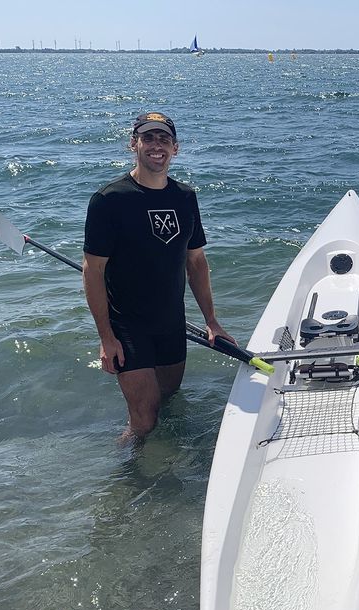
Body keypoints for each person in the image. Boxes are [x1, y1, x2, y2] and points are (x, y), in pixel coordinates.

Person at [82, 112, 234, 442]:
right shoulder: (110, 200)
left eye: (164, 139)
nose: (156, 145)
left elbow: (196, 262)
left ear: (175, 148)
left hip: (171, 324)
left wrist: (212, 322)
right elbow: (93, 271)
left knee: (168, 402)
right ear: (133, 144)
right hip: (127, 326)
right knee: (144, 419)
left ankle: (165, 469)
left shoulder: (185, 197)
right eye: (148, 138)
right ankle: (128, 468)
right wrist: (106, 337)